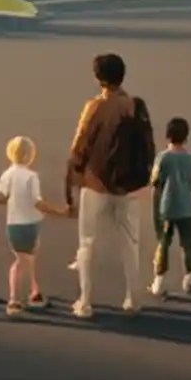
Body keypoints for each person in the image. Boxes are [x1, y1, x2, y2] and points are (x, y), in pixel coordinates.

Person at [66, 54, 156, 319]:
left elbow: (80, 146)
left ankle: (85, 301)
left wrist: (72, 181)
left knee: (87, 243)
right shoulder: (136, 106)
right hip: (128, 186)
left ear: (98, 78)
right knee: (130, 242)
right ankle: (132, 298)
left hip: (95, 183)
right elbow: (148, 145)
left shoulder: (94, 106)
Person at [0, 136, 70, 316]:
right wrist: (61, 212)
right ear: (30, 155)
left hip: (13, 224)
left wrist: (7, 198)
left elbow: (0, 197)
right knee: (23, 261)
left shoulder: (7, 175)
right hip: (30, 224)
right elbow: (38, 203)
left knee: (27, 259)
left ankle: (34, 292)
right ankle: (14, 299)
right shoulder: (31, 177)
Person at [150, 117, 191, 298]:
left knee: (164, 243)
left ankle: (159, 281)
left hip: (167, 208)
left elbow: (155, 180)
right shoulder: (190, 159)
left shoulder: (163, 158)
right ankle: (190, 279)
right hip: (185, 208)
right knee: (187, 244)